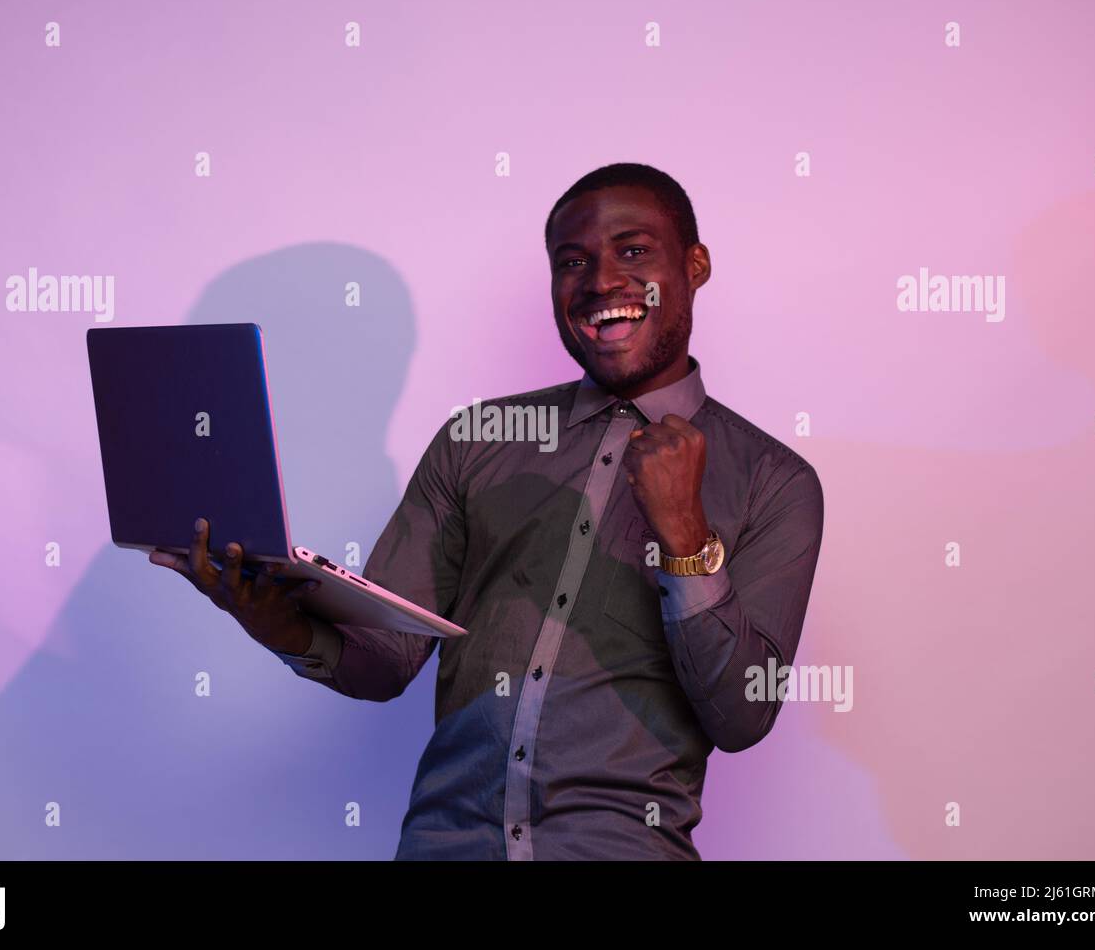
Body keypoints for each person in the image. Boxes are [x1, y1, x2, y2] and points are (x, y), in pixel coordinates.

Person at [149, 162, 825, 860]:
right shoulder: (475, 441)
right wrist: (279, 623)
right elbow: (385, 662)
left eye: (633, 251)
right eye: (573, 261)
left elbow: (743, 713)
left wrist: (684, 535)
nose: (599, 282)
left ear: (694, 265)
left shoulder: (776, 482)